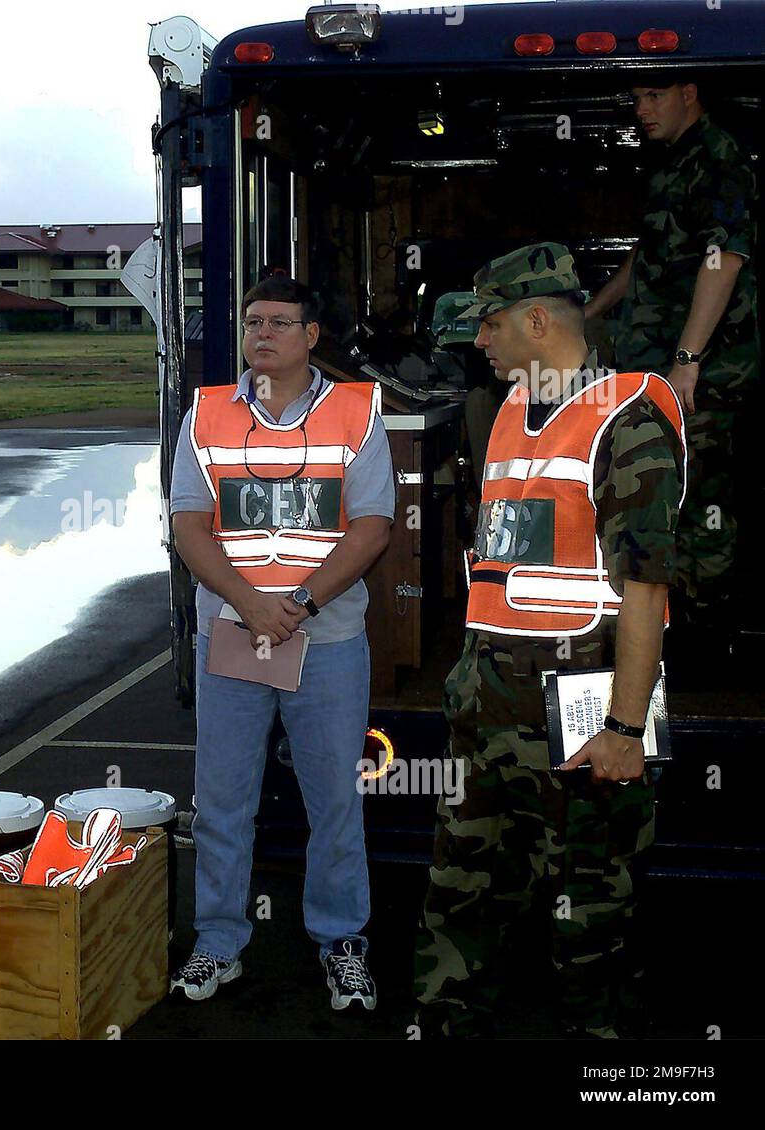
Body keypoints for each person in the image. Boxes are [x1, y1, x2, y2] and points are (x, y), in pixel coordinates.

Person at [414, 244, 686, 1038]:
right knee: (462, 890)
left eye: (492, 325)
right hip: (489, 702)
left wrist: (628, 730)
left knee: (591, 908)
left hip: (588, 700)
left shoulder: (627, 419)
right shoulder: (505, 411)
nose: (482, 341)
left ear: (538, 320)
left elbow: (645, 587)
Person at [167, 276, 395, 1008]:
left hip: (323, 637)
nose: (262, 335)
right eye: (253, 322)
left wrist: (294, 603)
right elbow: (189, 527)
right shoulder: (205, 414)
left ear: (312, 336)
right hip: (234, 635)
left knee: (333, 799)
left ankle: (342, 942)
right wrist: (248, 604)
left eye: (280, 323)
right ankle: (218, 942)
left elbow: (372, 527)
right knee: (221, 799)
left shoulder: (357, 413)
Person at [586, 75, 756, 647]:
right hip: (656, 367)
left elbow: (724, 259)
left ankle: (712, 631)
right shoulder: (670, 163)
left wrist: (687, 359)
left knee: (704, 496)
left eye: (654, 96)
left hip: (706, 370)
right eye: (635, 100)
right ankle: (667, 625)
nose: (641, 110)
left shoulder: (720, 159)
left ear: (690, 92)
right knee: (662, 489)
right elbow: (648, 256)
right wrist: (590, 313)